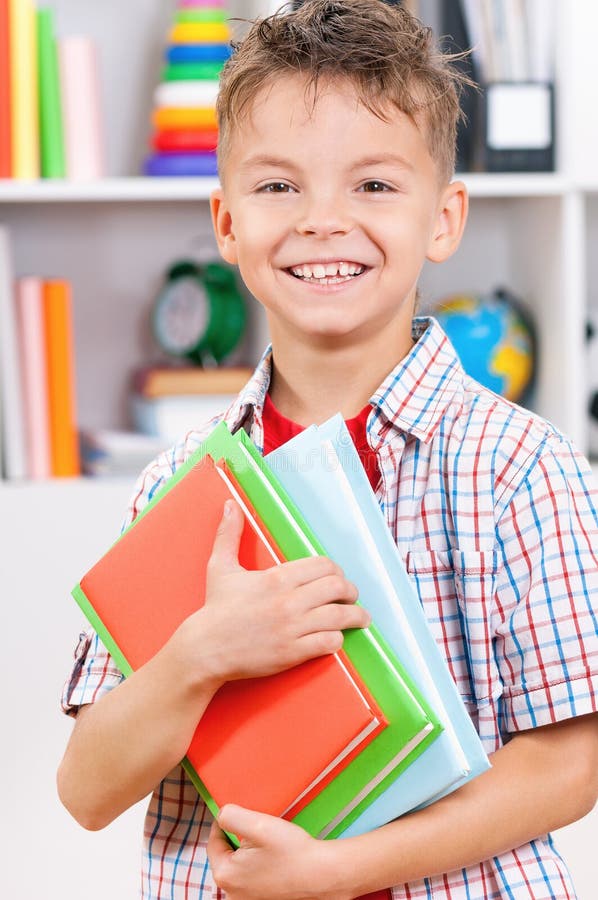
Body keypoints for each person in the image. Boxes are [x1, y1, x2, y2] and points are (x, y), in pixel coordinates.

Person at [57, 2, 598, 898]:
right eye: (278, 187)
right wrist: (203, 654)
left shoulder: (519, 468)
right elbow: (86, 788)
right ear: (227, 224)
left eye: (374, 186)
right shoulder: (176, 486)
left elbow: (572, 765)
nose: (322, 221)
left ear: (444, 218)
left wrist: (340, 871)